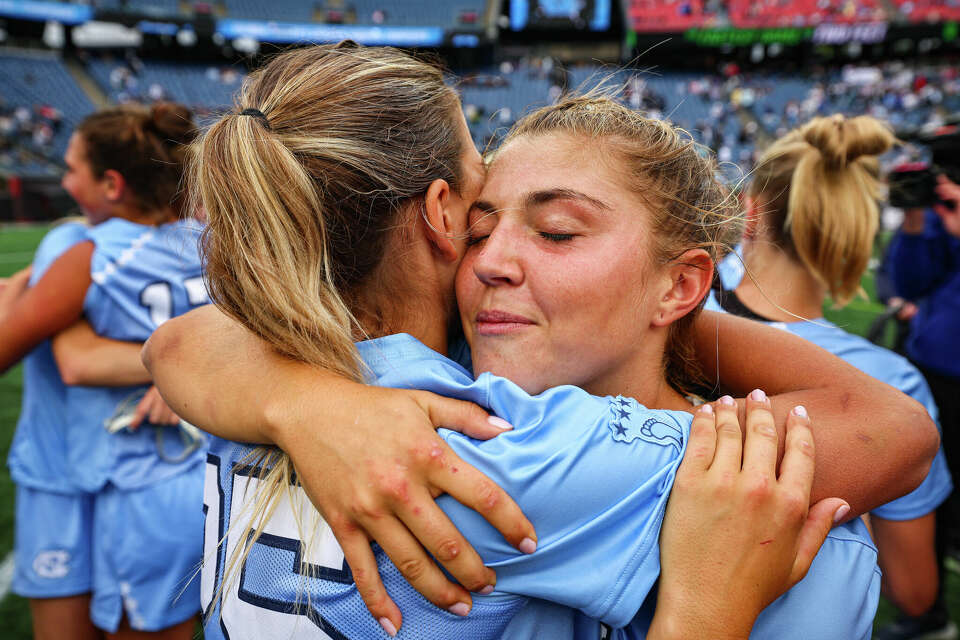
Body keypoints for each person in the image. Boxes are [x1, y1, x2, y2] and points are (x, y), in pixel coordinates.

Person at [145, 45, 933, 638]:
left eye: (556, 232)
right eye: (481, 223)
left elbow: (176, 344)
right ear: (440, 215)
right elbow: (892, 432)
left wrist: (294, 399)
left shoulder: (279, 362)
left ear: (683, 279)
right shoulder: (503, 440)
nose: (492, 261)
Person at [709, 115, 955, 640]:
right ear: (855, 234)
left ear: (751, 214)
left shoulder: (676, 299)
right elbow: (915, 593)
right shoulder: (892, 388)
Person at [0, 103, 207, 639]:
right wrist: (189, 366)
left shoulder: (82, 249)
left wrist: (15, 303)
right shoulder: (216, 246)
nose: (65, 181)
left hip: (85, 473)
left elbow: (73, 361)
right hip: (165, 473)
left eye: (72, 169)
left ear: (112, 184)